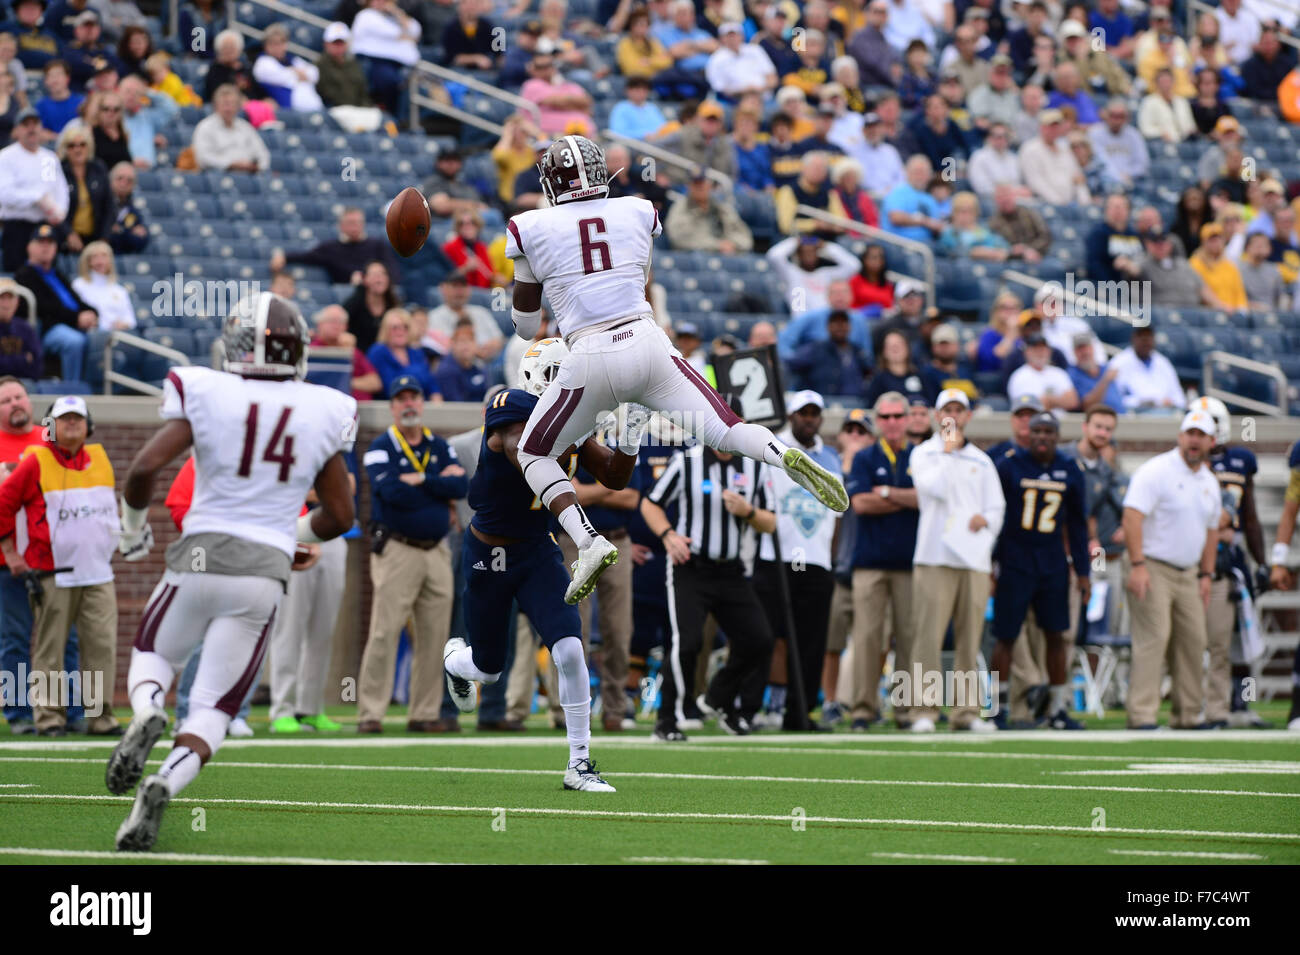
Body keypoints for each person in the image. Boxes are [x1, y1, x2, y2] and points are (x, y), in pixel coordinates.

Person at [505, 137, 847, 609]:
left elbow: (525, 328)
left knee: (532, 453)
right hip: (648, 341)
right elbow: (637, 275)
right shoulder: (638, 210)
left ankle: (587, 542)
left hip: (589, 354)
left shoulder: (529, 226)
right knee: (726, 429)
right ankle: (782, 453)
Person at [105, 292, 356, 852]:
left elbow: (144, 467)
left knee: (155, 657)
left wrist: (130, 531)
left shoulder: (205, 387)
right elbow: (342, 515)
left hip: (200, 554)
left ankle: (146, 711)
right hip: (263, 571)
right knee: (214, 707)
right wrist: (286, 537)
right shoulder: (325, 405)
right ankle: (165, 780)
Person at [442, 342, 636, 787]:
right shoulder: (511, 409)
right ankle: (457, 660)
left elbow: (615, 477)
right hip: (489, 554)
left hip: (536, 550)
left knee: (569, 648)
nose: (565, 385)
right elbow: (526, 454)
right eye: (557, 374)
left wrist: (632, 432)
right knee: (489, 669)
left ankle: (579, 763)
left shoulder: (574, 422)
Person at [639, 393, 777, 740]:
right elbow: (650, 504)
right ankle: (666, 720)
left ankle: (719, 699)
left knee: (758, 639)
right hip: (691, 566)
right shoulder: (687, 462)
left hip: (731, 570)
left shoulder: (754, 467)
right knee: (685, 643)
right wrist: (668, 535)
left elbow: (771, 522)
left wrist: (747, 512)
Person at [0, 394, 118, 738]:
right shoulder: (35, 461)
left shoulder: (99, 459)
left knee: (101, 645)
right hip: (52, 571)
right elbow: (5, 503)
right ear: (50, 426)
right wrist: (11, 552)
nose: (71, 424)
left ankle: (100, 717)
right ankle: (49, 718)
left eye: (77, 419)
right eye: (63, 418)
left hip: (97, 571)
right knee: (51, 647)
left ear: (88, 426)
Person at [356, 375, 466, 734]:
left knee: (435, 635)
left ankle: (424, 712)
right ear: (392, 406)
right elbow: (390, 492)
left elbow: (460, 484)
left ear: (421, 403)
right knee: (384, 632)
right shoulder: (382, 444)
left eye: (413, 398)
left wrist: (421, 481)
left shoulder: (439, 444)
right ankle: (371, 712)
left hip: (436, 550)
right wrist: (437, 483)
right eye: (401, 399)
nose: (408, 405)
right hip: (398, 549)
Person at [909, 388, 1004, 732]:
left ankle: (966, 713)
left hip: (974, 561)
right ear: (937, 416)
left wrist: (987, 523)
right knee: (928, 637)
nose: (953, 415)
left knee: (970, 638)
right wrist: (948, 452)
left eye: (959, 410)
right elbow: (932, 489)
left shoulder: (982, 460)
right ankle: (923, 711)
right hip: (934, 557)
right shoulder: (924, 453)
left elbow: (996, 507)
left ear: (968, 416)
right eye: (946, 409)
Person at [1121, 409, 1222, 729]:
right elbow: (1132, 516)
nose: (1194, 440)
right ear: (1180, 437)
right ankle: (1142, 714)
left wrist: (1206, 574)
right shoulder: (1156, 470)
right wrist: (1137, 565)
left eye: (1201, 435)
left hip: (1189, 572)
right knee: (1155, 637)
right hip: (1152, 564)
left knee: (1194, 640)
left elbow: (1212, 531)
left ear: (1211, 442)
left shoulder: (1209, 481)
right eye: (1190, 433)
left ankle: (1188, 715)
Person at [988, 412, 1089, 730]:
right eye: (1037, 431)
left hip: (1053, 563)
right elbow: (996, 518)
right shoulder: (1009, 465)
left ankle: (1056, 709)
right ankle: (998, 708)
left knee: (1056, 635)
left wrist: (1083, 571)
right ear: (1027, 434)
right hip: (1015, 561)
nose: (1042, 437)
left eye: (1049, 431)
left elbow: (1077, 525)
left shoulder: (1070, 468)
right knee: (1005, 636)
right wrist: (992, 563)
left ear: (1058, 436)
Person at [750, 391, 840, 730]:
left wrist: (831, 554)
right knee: (764, 637)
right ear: (791, 415)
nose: (809, 418)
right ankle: (751, 708)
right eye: (804, 413)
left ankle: (799, 712)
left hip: (815, 560)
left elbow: (838, 507)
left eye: (815, 413)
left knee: (812, 642)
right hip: (777, 556)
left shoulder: (830, 457)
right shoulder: (773, 449)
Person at [1188, 395, 1267, 729]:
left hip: (1233, 559)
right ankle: (1204, 704)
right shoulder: (1185, 463)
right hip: (1196, 556)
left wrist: (1262, 562)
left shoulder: (1240, 460)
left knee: (1242, 640)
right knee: (1200, 638)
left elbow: (1249, 516)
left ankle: (1243, 704)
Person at [845, 390, 917, 730]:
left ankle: (904, 711)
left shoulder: (922, 456)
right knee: (867, 638)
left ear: (907, 418)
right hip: (870, 562)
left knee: (908, 638)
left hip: (911, 563)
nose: (891, 422)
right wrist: (906, 499)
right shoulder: (864, 457)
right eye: (885, 417)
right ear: (877, 421)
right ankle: (863, 708)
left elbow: (928, 500)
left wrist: (885, 493)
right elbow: (859, 504)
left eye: (897, 416)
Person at [14, 223, 97, 382]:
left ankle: (95, 387)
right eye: (40, 242)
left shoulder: (57, 274)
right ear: (29, 247)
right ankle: (72, 388)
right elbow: (45, 308)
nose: (46, 247)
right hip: (46, 329)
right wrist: (77, 318)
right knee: (74, 341)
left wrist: (92, 312)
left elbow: (77, 300)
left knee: (100, 339)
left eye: (50, 243)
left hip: (70, 323)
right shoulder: (24, 275)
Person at [0, 106, 68, 273]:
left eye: (35, 124)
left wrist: (59, 211)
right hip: (17, 227)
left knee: (45, 275)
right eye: (26, 124)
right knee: (17, 275)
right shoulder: (7, 157)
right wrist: (36, 198)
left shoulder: (48, 159)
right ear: (17, 130)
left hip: (44, 226)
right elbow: (5, 194)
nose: (31, 129)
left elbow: (56, 190)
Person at [664, 168, 753, 253]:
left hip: (726, 258)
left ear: (709, 186)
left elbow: (746, 239)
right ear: (689, 186)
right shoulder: (680, 208)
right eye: (695, 183)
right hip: (694, 261)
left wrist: (733, 244)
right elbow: (678, 239)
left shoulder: (722, 209)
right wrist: (717, 246)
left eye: (702, 183)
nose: (699, 187)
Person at [766, 234, 860, 313]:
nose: (809, 256)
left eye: (812, 252)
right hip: (801, 323)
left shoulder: (826, 274)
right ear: (798, 254)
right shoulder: (791, 273)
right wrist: (796, 241)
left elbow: (854, 265)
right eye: (805, 252)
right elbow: (774, 255)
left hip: (826, 322)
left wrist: (824, 245)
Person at [1018, 108, 1089, 206]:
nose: (1054, 129)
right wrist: (1058, 202)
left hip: (1069, 203)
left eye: (1057, 126)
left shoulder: (1065, 147)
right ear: (1041, 127)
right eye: (1050, 126)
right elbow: (1035, 181)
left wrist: (1085, 202)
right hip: (1042, 203)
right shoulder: (1030, 149)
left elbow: (1077, 177)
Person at [193, 84, 270, 172]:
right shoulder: (205, 127)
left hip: (249, 175)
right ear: (216, 106)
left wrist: (257, 167)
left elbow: (263, 154)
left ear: (238, 106)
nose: (228, 108)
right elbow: (203, 158)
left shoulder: (245, 127)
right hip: (219, 176)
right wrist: (230, 164)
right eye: (225, 104)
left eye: (232, 104)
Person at [58, 125, 111, 254]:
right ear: (65, 149)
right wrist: (68, 233)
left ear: (89, 147)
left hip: (94, 238)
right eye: (72, 145)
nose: (77, 149)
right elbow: (54, 207)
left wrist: (104, 238)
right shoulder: (58, 170)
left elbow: (109, 206)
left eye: (82, 144)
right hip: (64, 238)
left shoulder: (99, 168)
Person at [367, 308, 440, 399]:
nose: (400, 331)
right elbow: (390, 386)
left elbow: (431, 383)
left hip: (421, 405)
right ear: (386, 330)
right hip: (389, 407)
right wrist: (417, 375)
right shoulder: (378, 352)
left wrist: (436, 398)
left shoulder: (416, 352)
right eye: (395, 328)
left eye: (405, 327)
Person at [71, 239, 133, 330]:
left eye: (104, 256)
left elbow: (130, 319)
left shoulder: (119, 290)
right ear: (88, 261)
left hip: (118, 335)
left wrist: (123, 324)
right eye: (95, 257)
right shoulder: (78, 285)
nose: (100, 262)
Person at [433, 320, 488, 402]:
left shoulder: (479, 367)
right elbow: (457, 405)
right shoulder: (446, 371)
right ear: (453, 344)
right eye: (461, 341)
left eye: (470, 340)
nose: (466, 345)